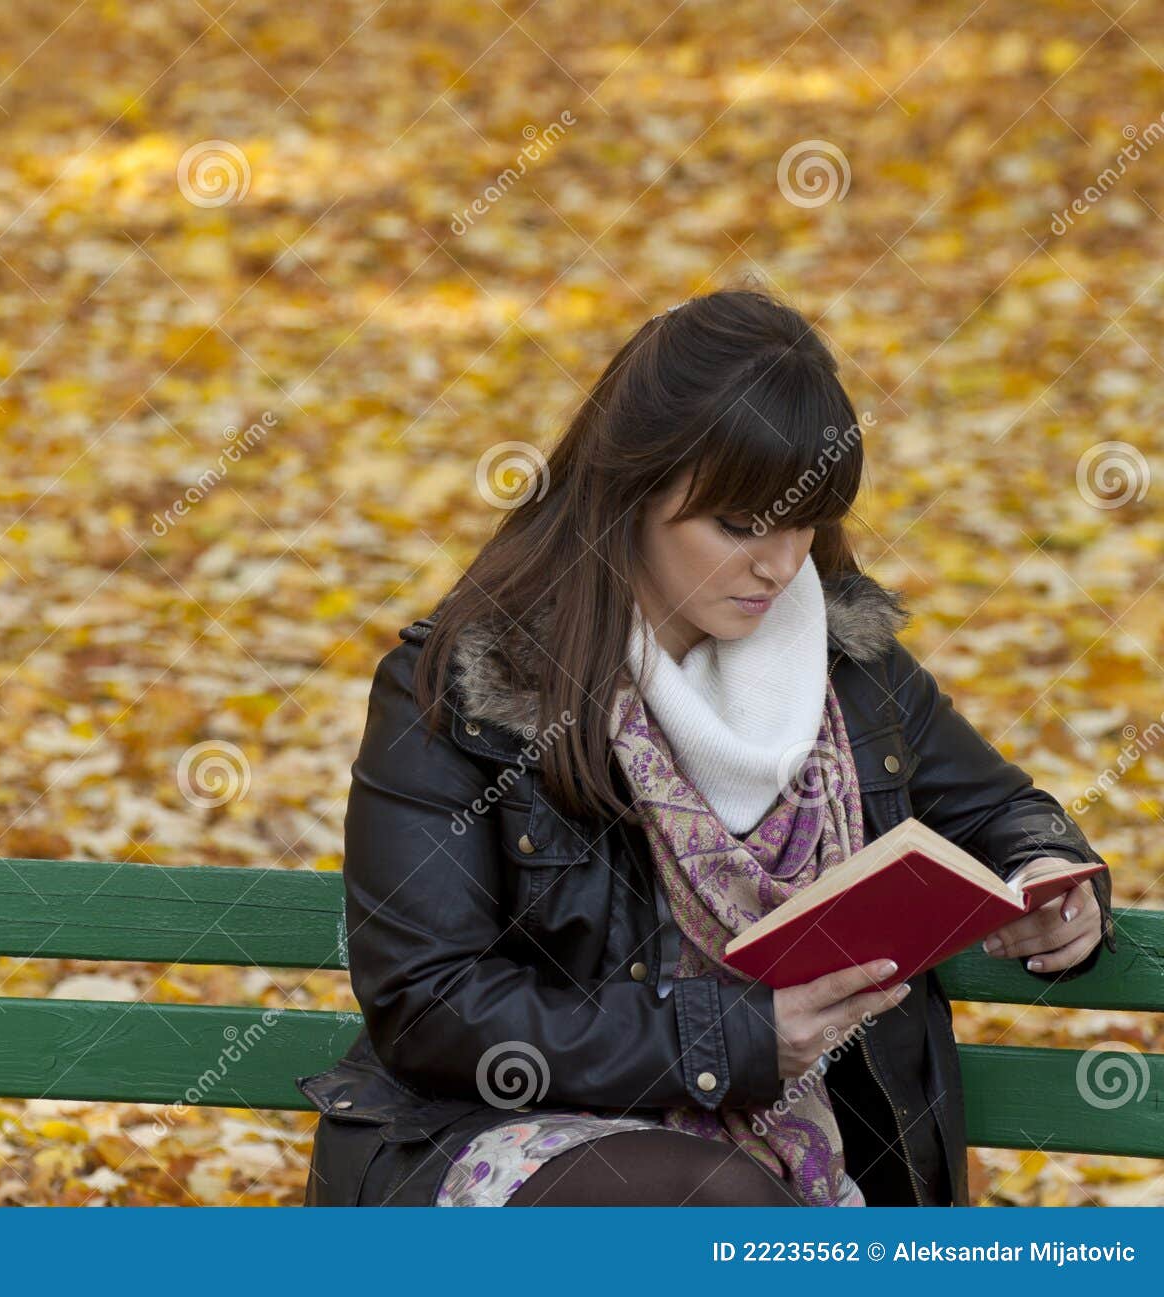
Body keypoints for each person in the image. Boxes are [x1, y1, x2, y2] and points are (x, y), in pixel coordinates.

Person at [298, 286, 1116, 1208]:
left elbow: (1001, 813)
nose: (779, 563)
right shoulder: (467, 688)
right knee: (713, 1209)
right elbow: (428, 1002)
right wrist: (731, 1037)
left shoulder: (847, 664)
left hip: (791, 1168)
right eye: (737, 526)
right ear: (631, 494)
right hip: (507, 1150)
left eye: (802, 520)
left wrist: (1056, 877)